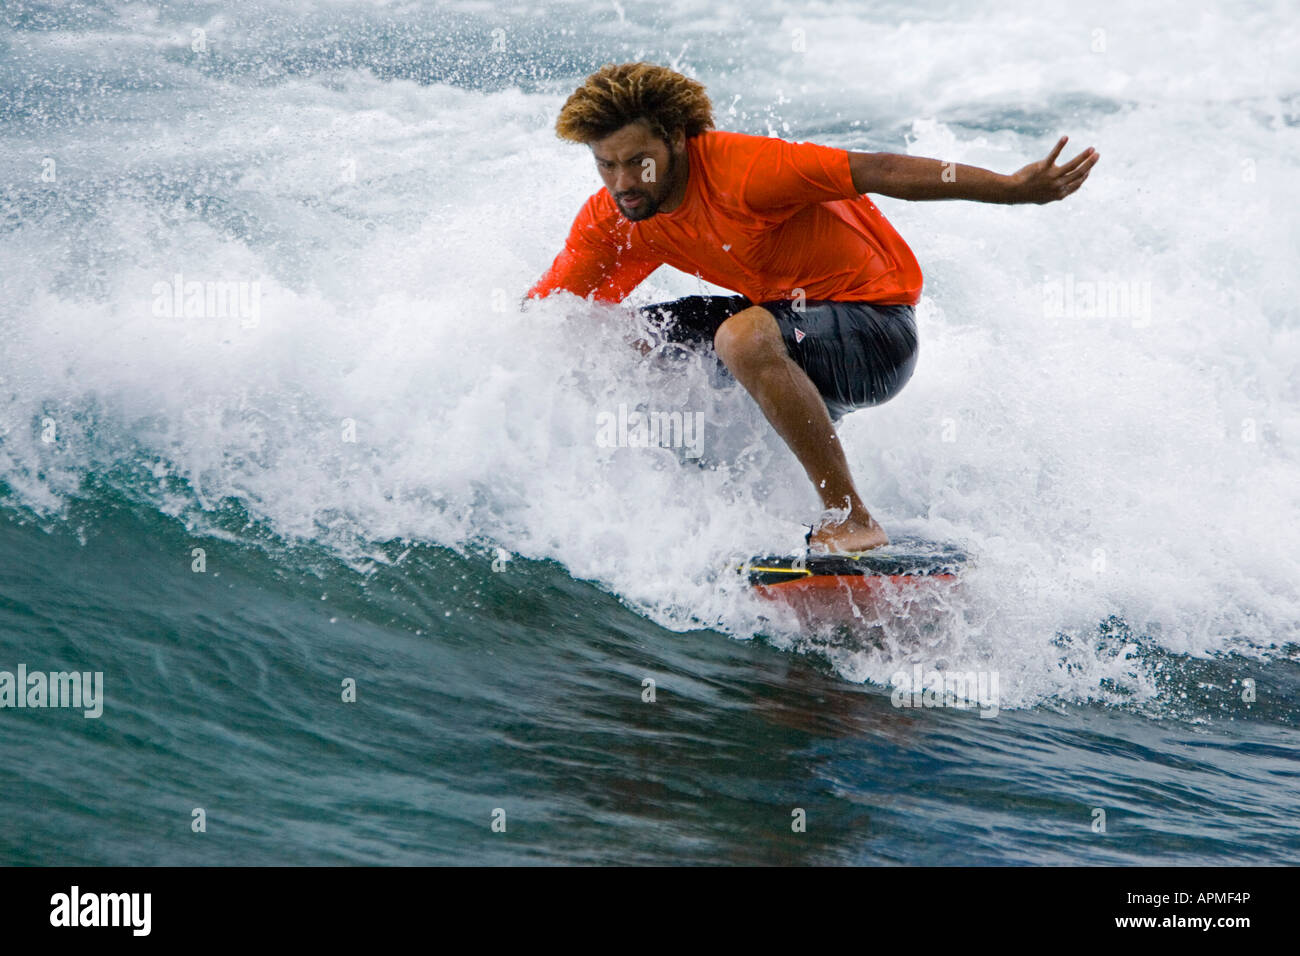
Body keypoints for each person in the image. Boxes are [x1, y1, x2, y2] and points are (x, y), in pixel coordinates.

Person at [526, 62, 1098, 553]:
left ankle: (850, 517)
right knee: (620, 338)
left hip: (877, 334)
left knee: (742, 337)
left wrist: (1011, 188)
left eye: (638, 162)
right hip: (786, 325)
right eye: (606, 165)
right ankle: (713, 502)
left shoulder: (744, 170)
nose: (624, 181)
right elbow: (555, 310)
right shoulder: (617, 217)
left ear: (676, 138)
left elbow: (879, 170)